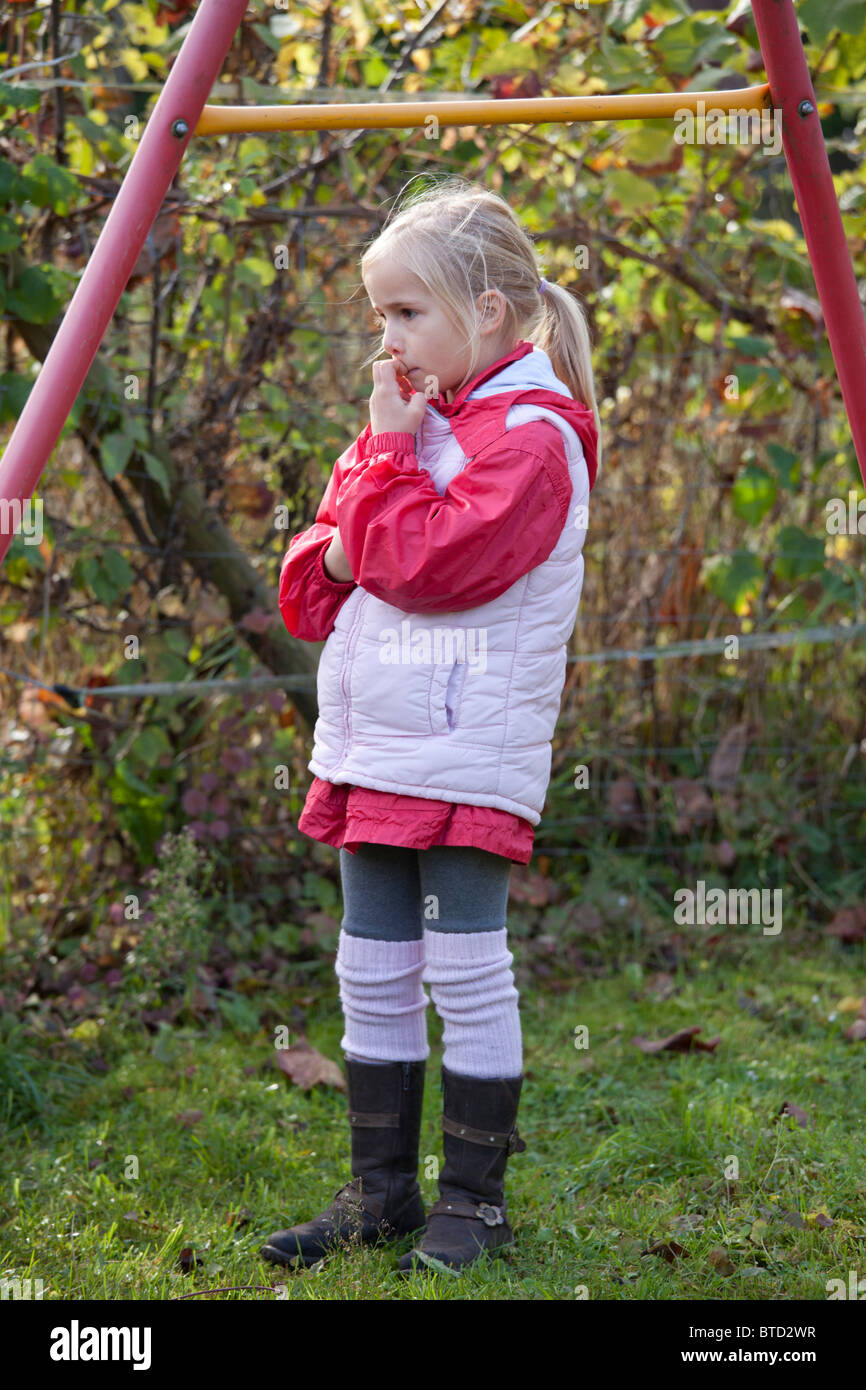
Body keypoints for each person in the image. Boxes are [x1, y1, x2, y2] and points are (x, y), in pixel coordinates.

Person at [263, 175, 600, 1277]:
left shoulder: (533, 440)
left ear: (486, 314)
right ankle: (381, 1190)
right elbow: (313, 583)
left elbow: (427, 563)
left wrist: (381, 487)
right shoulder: (408, 426)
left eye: (406, 314)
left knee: (463, 968)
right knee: (369, 967)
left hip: (467, 746)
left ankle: (474, 1200)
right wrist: (378, 479)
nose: (387, 339)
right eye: (378, 317)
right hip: (371, 744)